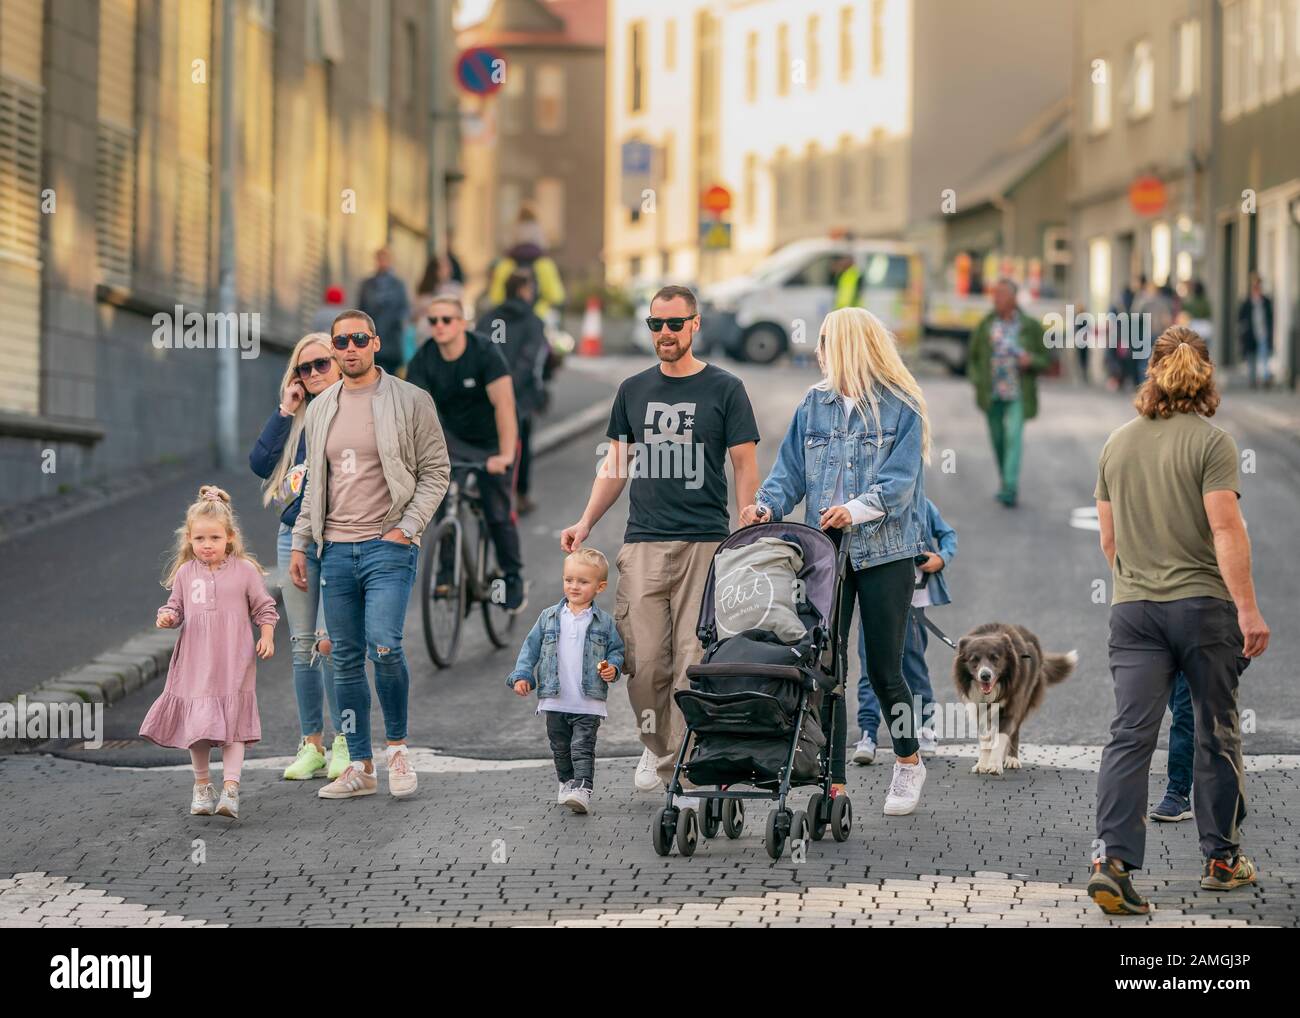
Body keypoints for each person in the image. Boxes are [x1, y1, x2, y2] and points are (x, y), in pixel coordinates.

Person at [1089, 326, 1269, 916]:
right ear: (1206, 375)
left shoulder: (1117, 443)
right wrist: (1246, 608)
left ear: (1152, 372)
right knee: (1215, 731)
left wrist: (1141, 579)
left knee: (1130, 734)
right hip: (1202, 610)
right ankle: (1221, 859)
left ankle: (1113, 863)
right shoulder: (1214, 443)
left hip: (1134, 611)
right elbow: (1225, 530)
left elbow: (1110, 541)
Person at [561, 284, 760, 801]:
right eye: (657, 325)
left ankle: (683, 762)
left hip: (706, 543)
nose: (665, 334)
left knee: (694, 659)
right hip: (645, 541)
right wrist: (585, 522)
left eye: (675, 324)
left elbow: (744, 464)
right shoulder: (633, 389)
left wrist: (747, 522)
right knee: (645, 661)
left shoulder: (726, 388)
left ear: (695, 325)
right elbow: (617, 464)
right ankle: (657, 741)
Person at [742, 306, 932, 816]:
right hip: (825, 555)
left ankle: (909, 762)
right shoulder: (814, 405)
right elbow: (790, 474)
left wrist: (855, 509)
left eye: (824, 340)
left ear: (849, 345)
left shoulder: (901, 406)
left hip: (886, 553)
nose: (817, 349)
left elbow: (899, 484)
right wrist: (767, 505)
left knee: (885, 668)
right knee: (826, 667)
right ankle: (834, 780)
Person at [290, 309, 450, 801]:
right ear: (334, 350)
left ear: (376, 343)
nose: (350, 347)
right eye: (341, 341)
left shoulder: (410, 399)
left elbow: (436, 470)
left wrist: (408, 526)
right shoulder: (321, 409)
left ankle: (398, 748)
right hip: (335, 549)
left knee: (384, 644)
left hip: (388, 545)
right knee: (343, 658)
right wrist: (301, 541)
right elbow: (316, 483)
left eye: (360, 338)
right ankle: (360, 764)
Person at [140, 486, 279, 821]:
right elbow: (175, 608)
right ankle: (202, 786)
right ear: (189, 539)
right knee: (199, 727)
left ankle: (230, 789)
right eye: (200, 539)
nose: (207, 546)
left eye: (214, 538)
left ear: (229, 537)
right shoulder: (186, 574)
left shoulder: (245, 571)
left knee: (231, 727)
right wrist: (168, 617)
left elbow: (265, 607)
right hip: (196, 662)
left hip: (234, 660)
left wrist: (267, 636)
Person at [248, 333, 349, 782]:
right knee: (303, 645)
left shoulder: (355, 407)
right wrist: (287, 410)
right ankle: (312, 745)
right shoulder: (299, 416)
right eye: (303, 369)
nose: (312, 376)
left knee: (332, 644)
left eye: (321, 365)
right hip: (294, 538)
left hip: (343, 536)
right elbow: (259, 463)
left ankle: (347, 742)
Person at [405, 294, 525, 610]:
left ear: (462, 324)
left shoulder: (484, 352)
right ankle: (446, 573)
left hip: (492, 441)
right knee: (442, 504)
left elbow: (505, 406)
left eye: (447, 320)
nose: (440, 326)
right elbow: (414, 413)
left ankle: (512, 577)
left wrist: (505, 455)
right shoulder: (424, 359)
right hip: (451, 442)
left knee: (497, 510)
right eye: (433, 321)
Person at [507, 548, 625, 815]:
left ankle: (582, 788)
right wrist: (522, 675)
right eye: (569, 579)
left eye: (583, 582)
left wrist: (613, 668)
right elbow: (530, 648)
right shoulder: (549, 617)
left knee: (582, 746)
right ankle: (566, 782)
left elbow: (616, 651)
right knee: (560, 747)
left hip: (588, 701)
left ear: (600, 587)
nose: (574, 586)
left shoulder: (604, 623)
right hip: (554, 699)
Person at [852, 497, 957, 764]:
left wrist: (940, 559)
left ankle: (924, 728)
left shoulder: (923, 505)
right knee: (870, 668)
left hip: (913, 603)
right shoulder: (868, 505)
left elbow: (948, 536)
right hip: (875, 601)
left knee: (913, 666)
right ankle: (868, 733)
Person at [966, 278, 1051, 507]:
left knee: (1014, 437)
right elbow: (972, 357)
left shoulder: (1029, 326)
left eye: (1002, 294)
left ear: (1014, 298)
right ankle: (1005, 479)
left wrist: (1030, 360)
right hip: (991, 392)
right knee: (998, 439)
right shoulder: (986, 324)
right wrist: (976, 380)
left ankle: (1010, 487)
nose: (997, 298)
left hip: (1017, 392)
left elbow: (1046, 358)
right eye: (995, 294)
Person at [477, 271, 551, 515]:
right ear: (522, 291)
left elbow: (477, 350)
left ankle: (483, 488)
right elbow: (531, 362)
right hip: (520, 395)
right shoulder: (533, 321)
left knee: (488, 438)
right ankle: (518, 494)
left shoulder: (488, 317)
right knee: (520, 443)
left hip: (486, 391)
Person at [488, 207, 565, 321]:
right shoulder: (544, 264)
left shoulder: (505, 265)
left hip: (510, 321)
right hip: (539, 318)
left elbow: (495, 298)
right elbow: (556, 296)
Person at [1149, 672, 1195, 822]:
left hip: (1207, 651)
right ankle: (1225, 770)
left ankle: (1178, 792)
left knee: (1184, 713)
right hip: (1173, 649)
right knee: (1179, 700)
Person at [357, 247, 410, 375]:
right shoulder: (367, 284)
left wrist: (398, 325)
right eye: (380, 259)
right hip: (372, 338)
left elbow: (404, 309)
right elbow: (361, 310)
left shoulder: (398, 285)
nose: (382, 262)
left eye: (385, 259)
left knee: (391, 378)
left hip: (391, 340)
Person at [1236, 272, 1274, 389]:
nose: (1257, 288)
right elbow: (1240, 317)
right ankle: (1252, 380)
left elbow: (1270, 318)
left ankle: (1266, 379)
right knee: (1251, 357)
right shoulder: (1247, 302)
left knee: (1264, 357)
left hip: (1263, 333)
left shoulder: (1266, 302)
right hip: (1251, 334)